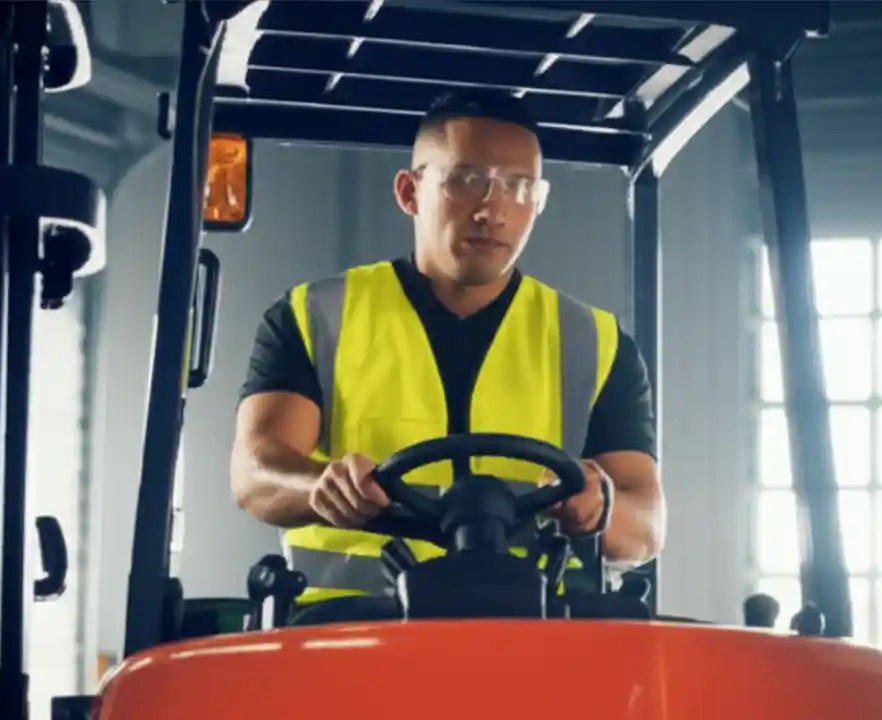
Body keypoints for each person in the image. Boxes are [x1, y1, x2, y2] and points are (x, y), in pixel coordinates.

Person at [228, 88, 665, 613]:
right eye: (467, 180)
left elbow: (646, 523)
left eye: (520, 187)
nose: (494, 209)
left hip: (544, 636)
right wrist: (321, 484)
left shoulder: (596, 341)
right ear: (410, 192)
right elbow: (257, 472)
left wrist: (601, 507)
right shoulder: (315, 315)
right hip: (351, 634)